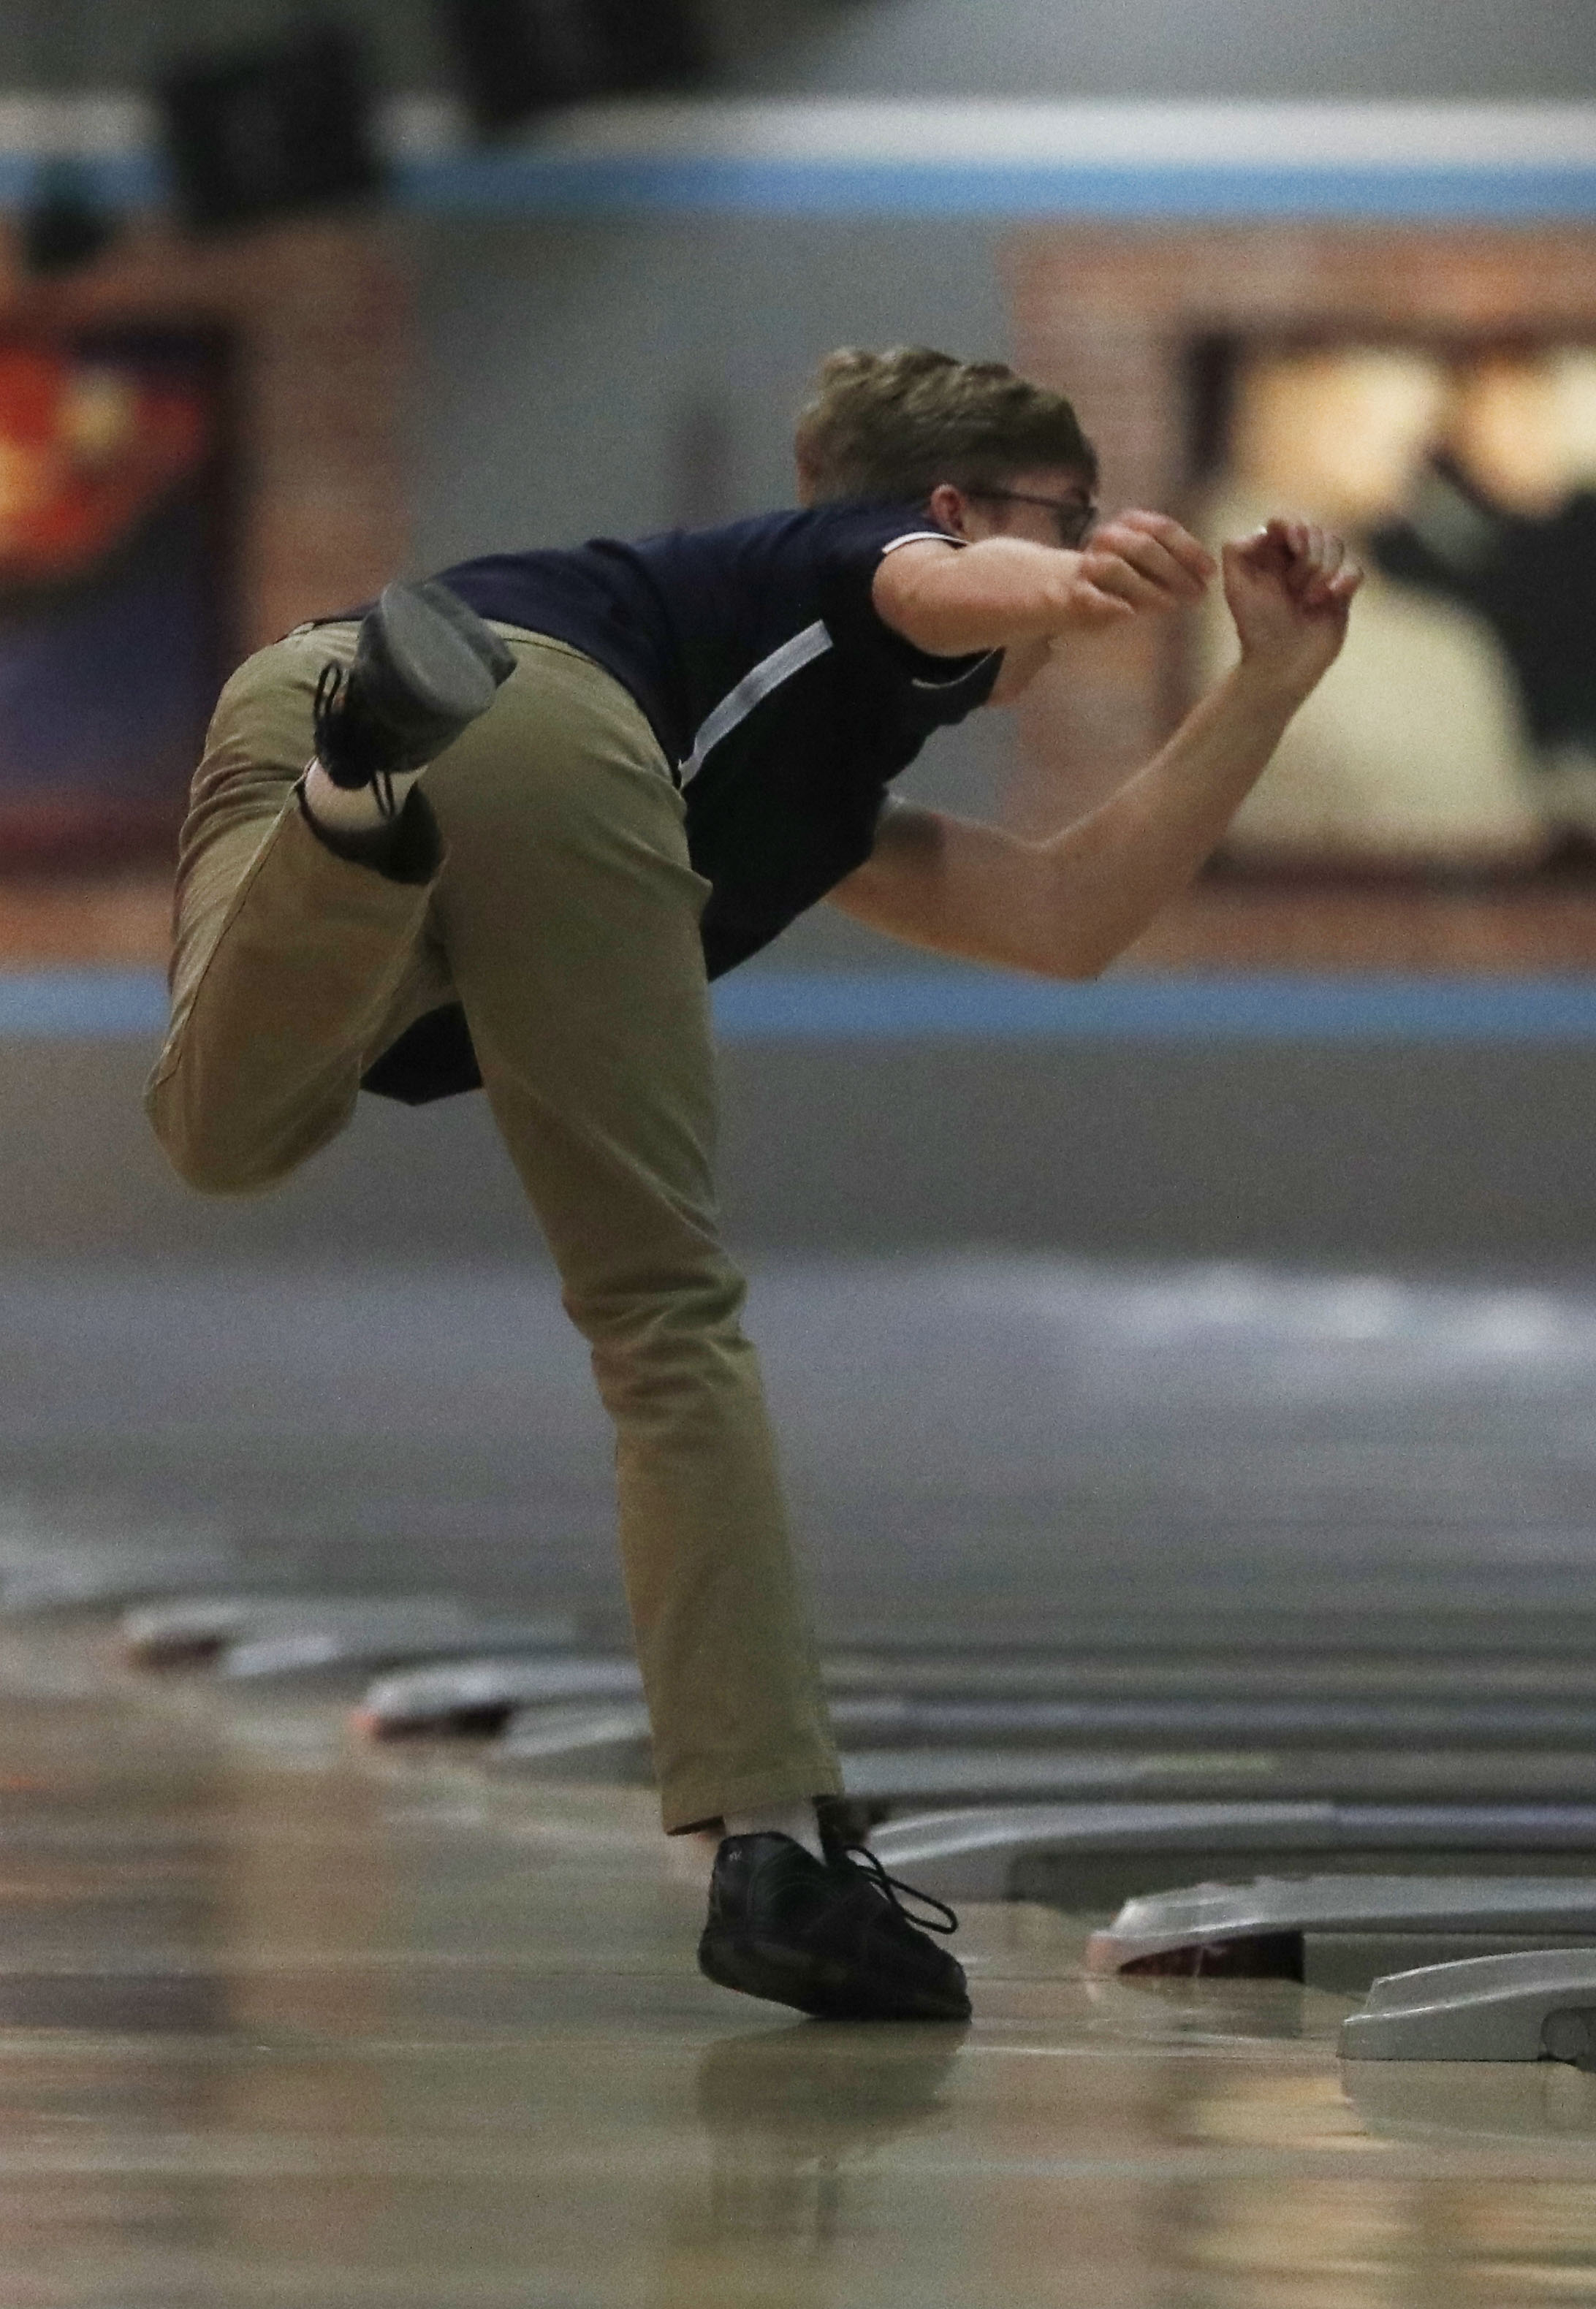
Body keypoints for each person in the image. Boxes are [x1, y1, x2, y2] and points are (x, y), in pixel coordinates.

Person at [142, 345, 1360, 2020]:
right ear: (948, 504)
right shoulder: (831, 568)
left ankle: (359, 794)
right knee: (661, 1314)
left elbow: (1061, 917)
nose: (1076, 537)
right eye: (1061, 504)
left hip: (315, 692)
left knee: (229, 1130)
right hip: (561, 730)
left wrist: (1267, 683)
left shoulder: (814, 789)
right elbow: (925, 580)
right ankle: (777, 1847)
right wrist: (1074, 583)